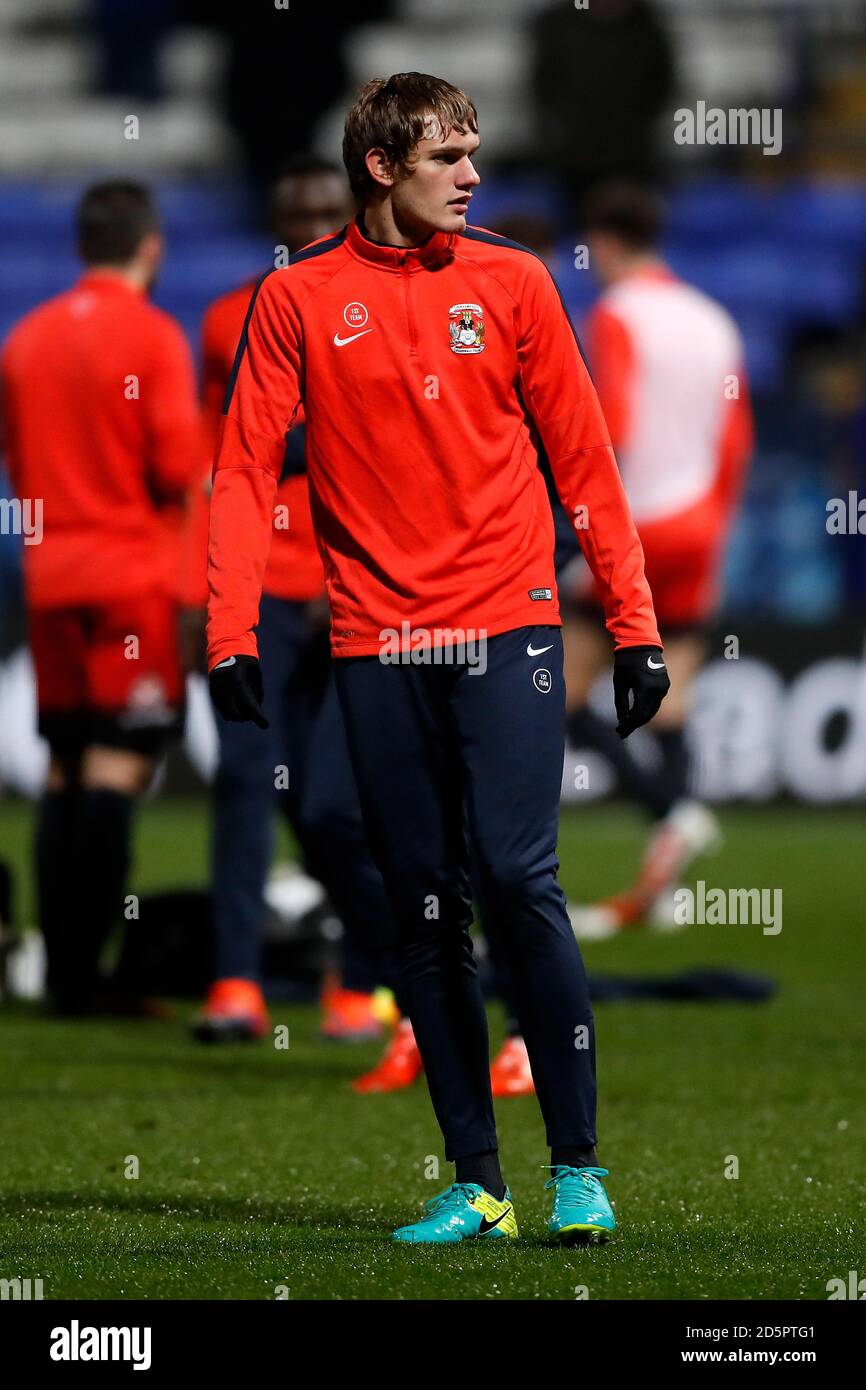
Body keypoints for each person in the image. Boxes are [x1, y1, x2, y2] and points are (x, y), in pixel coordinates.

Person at [206, 73, 668, 1245]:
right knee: (423, 912)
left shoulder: (512, 281)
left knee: (518, 879)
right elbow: (246, 474)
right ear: (379, 164)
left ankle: (577, 1169)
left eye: (474, 153)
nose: (471, 175)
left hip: (504, 626)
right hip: (374, 638)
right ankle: (478, 1178)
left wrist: (632, 621)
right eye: (446, 155)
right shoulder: (295, 301)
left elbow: (584, 461)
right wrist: (231, 629)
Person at [186, 155, 403, 1044]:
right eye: (292, 209)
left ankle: (362, 974)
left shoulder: (381, 305)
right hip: (264, 586)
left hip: (354, 580)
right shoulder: (226, 319)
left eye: (323, 207)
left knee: (336, 800)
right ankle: (235, 979)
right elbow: (241, 454)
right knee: (243, 779)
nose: (307, 223)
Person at [1, 181, 200, 1013]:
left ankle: (60, 970)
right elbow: (174, 465)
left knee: (62, 768)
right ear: (149, 248)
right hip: (130, 579)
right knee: (118, 768)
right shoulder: (152, 338)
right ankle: (88, 979)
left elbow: (16, 462)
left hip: (50, 577)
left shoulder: (26, 339)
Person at [563, 184, 754, 936]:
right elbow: (737, 438)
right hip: (702, 523)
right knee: (671, 703)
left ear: (604, 242)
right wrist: (718, 522)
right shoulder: (714, 318)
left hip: (636, 523)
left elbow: (615, 425)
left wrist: (584, 519)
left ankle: (669, 810)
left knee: (567, 692)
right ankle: (668, 871)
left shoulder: (615, 316)